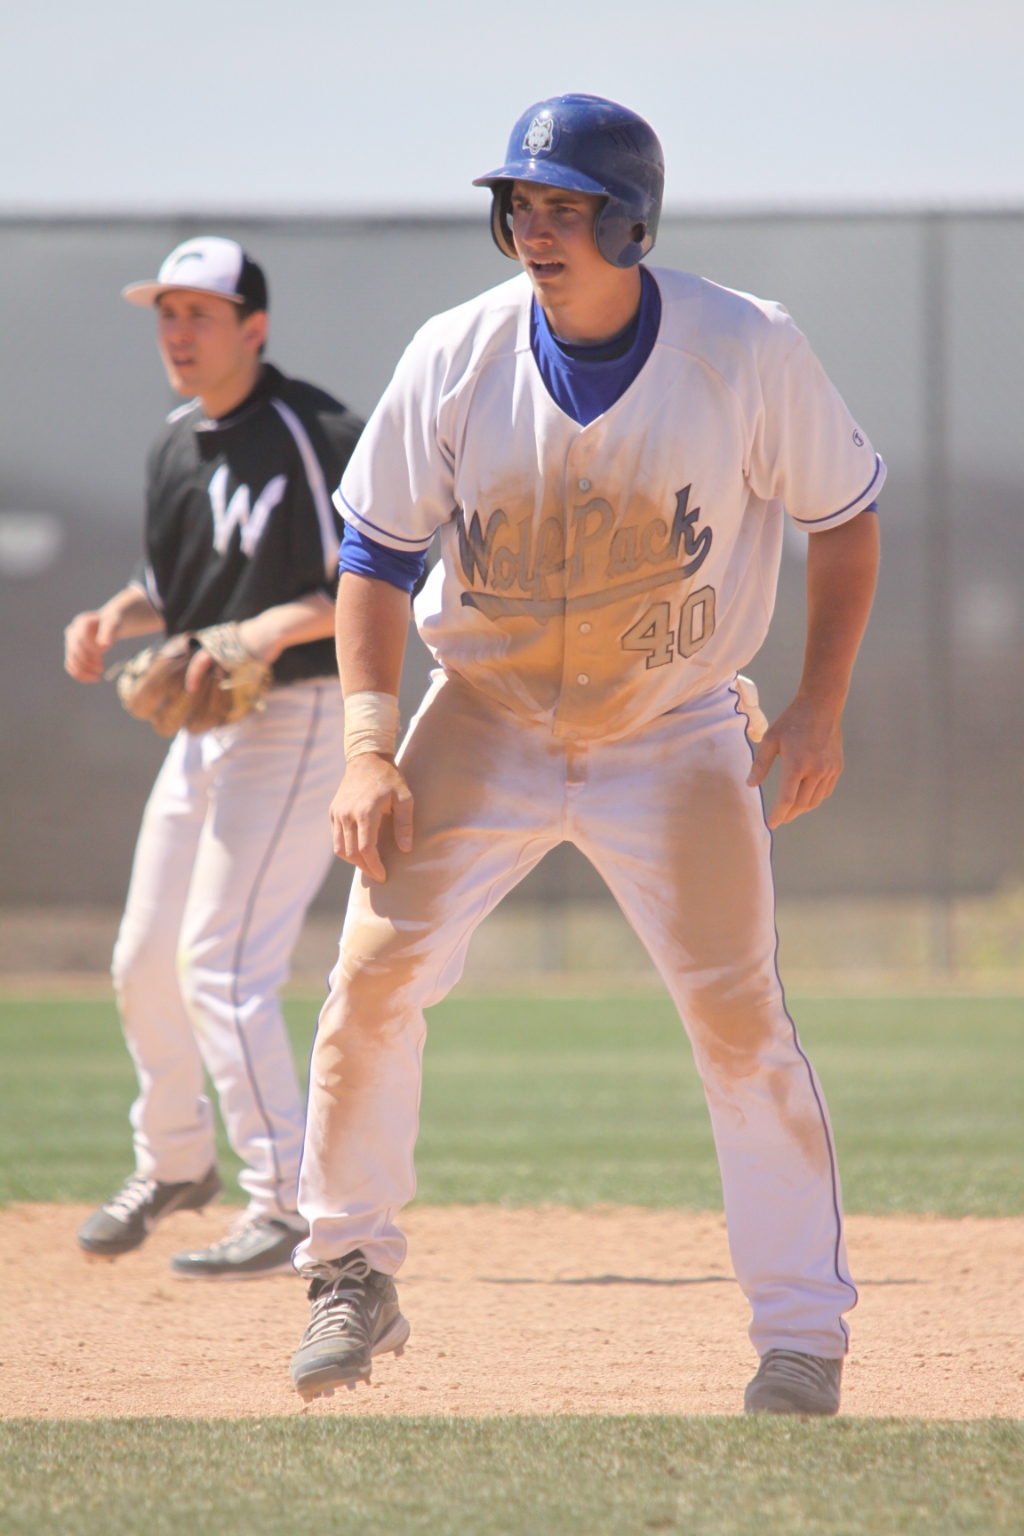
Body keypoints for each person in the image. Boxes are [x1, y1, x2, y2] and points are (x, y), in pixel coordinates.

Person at [287, 95, 883, 1413]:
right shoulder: (457, 352)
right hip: (484, 712)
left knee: (740, 1023)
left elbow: (844, 516)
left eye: (565, 206)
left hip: (673, 727)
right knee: (373, 979)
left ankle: (800, 1337)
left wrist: (821, 702)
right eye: (523, 206)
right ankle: (348, 1270)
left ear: (630, 220)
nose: (537, 229)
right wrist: (369, 747)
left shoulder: (746, 347)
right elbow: (376, 553)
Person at [64, 237, 362, 1279]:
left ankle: (285, 1203)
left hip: (297, 714)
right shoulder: (175, 445)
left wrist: (259, 634)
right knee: (143, 960)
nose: (177, 333)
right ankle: (176, 1161)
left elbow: (370, 583)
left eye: (199, 313)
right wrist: (115, 615)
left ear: (254, 327)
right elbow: (175, 588)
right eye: (165, 314)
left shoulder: (313, 431)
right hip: (208, 726)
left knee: (222, 966)